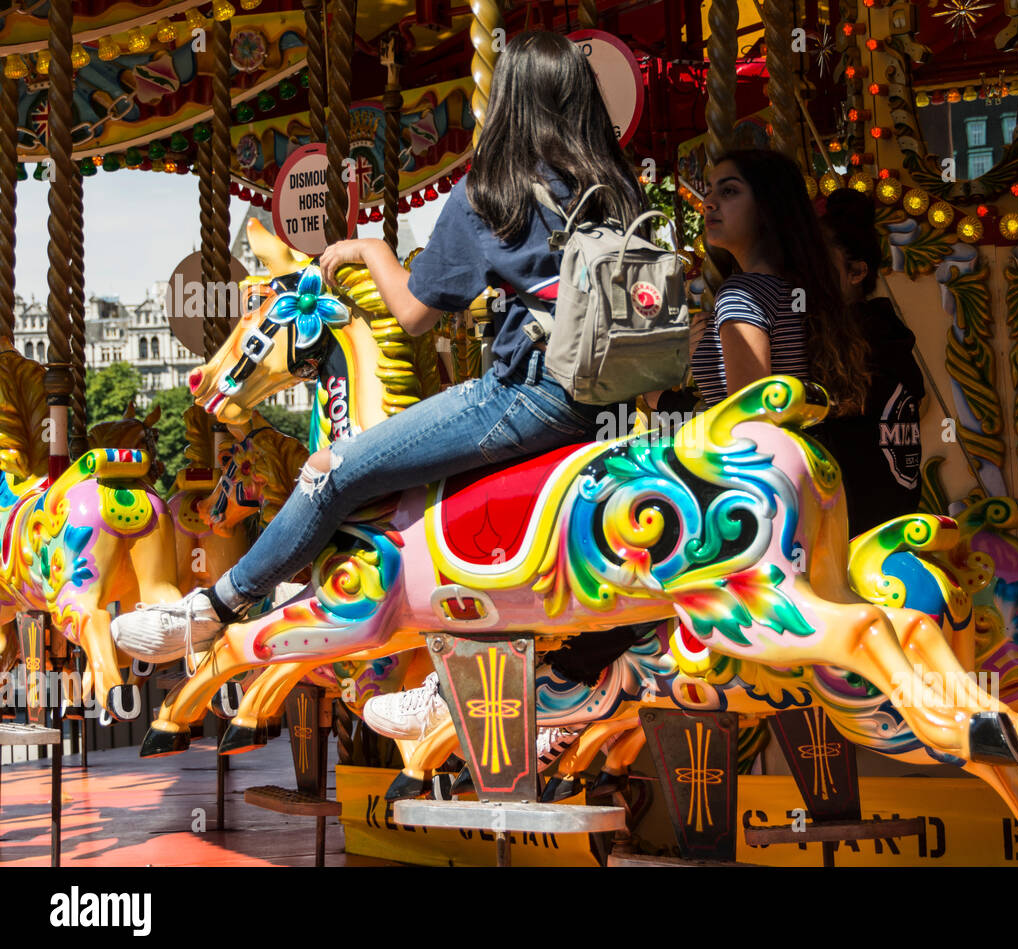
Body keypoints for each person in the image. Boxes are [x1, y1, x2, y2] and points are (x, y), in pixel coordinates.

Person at [112, 31, 647, 688]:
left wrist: (370, 252)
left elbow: (417, 314)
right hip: (620, 407)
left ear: (509, 100)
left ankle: (213, 606)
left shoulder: (494, 191)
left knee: (330, 469)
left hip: (529, 397)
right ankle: (444, 689)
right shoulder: (617, 189)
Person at [684, 149, 862, 412]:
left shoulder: (742, 294)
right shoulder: (798, 285)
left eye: (729, 191)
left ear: (767, 205)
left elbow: (750, 419)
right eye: (709, 190)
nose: (708, 202)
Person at [808, 187, 925, 536]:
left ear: (857, 272)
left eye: (815, 264)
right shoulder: (885, 338)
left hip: (851, 532)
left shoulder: (850, 348)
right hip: (889, 524)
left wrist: (670, 403)